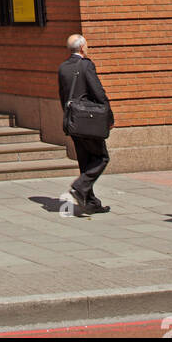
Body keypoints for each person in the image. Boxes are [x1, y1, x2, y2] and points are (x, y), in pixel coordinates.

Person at [58, 34, 114, 215]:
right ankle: (79, 187)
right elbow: (98, 92)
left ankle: (90, 202)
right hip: (88, 120)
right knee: (101, 157)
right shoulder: (86, 65)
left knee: (85, 160)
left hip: (73, 120)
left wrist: (69, 118)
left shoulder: (63, 67)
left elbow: (63, 97)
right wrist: (108, 117)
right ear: (82, 47)